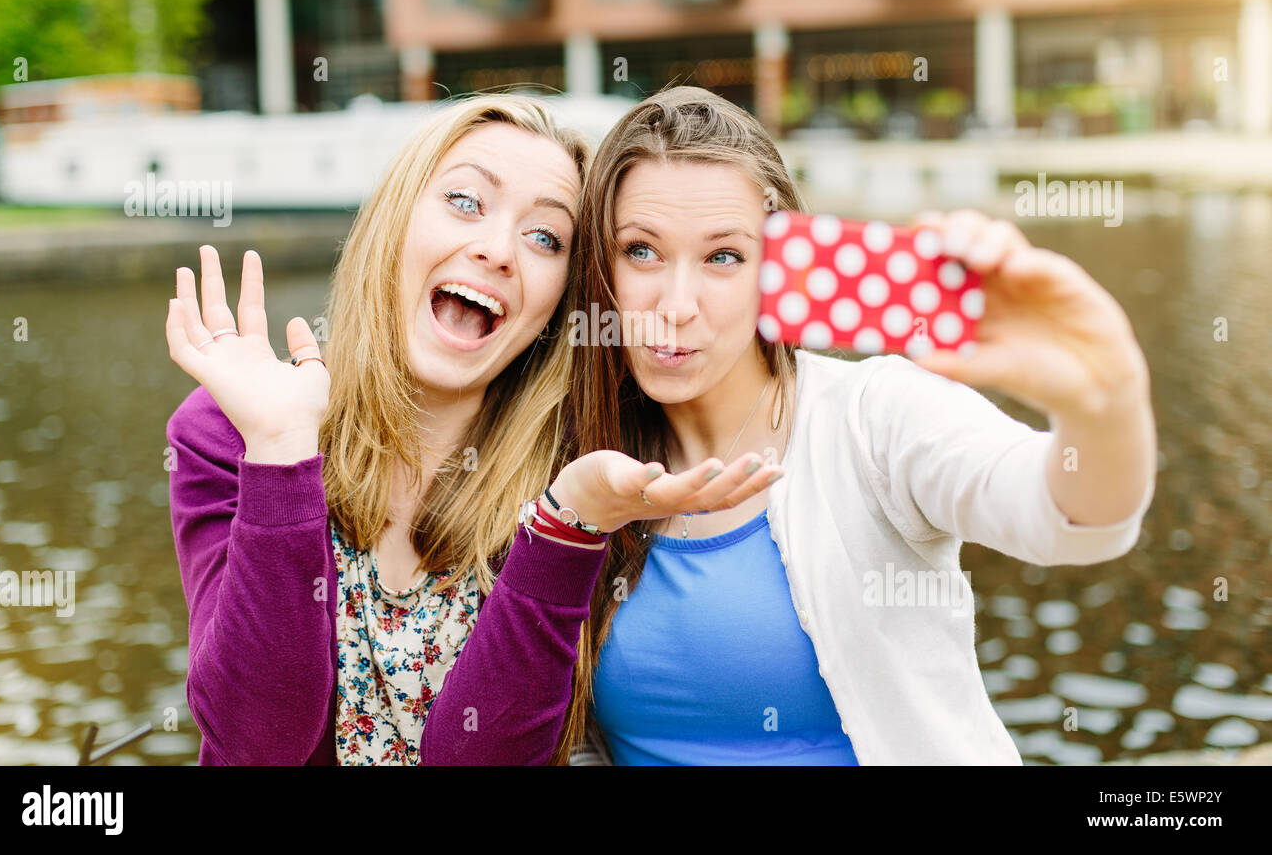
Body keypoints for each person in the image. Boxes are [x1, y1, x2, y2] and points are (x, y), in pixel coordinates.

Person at [421, 86, 1157, 765]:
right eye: (640, 250)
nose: (675, 303)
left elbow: (1065, 513)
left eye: (723, 257)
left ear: (778, 269)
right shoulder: (571, 461)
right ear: (599, 270)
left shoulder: (873, 420)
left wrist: (1104, 403)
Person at [166, 94, 596, 765]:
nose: (497, 250)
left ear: (559, 299)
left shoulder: (577, 481)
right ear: (394, 222)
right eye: (465, 202)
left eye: (546, 237)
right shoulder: (227, 431)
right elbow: (258, 740)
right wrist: (279, 454)